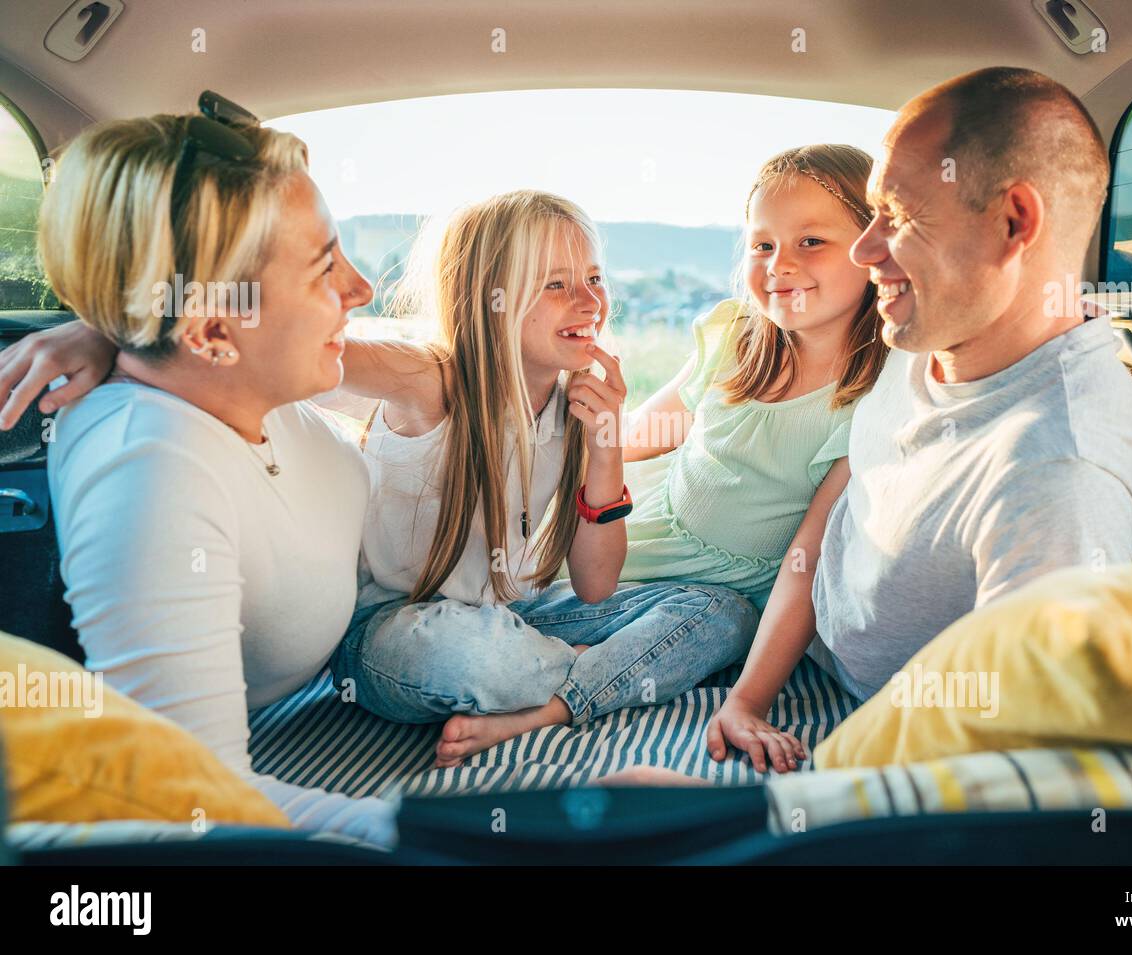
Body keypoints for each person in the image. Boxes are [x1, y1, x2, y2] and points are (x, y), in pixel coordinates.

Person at [708, 66, 1132, 772]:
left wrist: (762, 810)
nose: (864, 249)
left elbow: (1012, 756)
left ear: (1014, 222)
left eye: (900, 216)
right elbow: (831, 519)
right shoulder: (930, 336)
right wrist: (746, 699)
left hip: (895, 739)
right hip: (804, 653)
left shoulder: (1057, 471)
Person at [0, 112, 396, 842]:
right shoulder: (147, 473)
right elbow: (197, 810)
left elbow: (435, 375)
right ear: (213, 332)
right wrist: (498, 838)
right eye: (324, 267)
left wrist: (107, 327)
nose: (362, 287)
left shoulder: (248, 385)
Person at [321, 191, 759, 767]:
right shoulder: (432, 377)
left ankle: (547, 703)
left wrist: (606, 445)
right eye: (556, 285)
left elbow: (597, 585)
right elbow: (314, 356)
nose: (590, 302)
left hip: (512, 613)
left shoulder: (570, 401)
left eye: (595, 277)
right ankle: (573, 674)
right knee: (470, 656)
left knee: (724, 613)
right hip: (395, 633)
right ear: (490, 299)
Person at [618, 144, 895, 611]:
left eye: (811, 241)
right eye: (762, 245)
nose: (778, 265)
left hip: (713, 602)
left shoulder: (870, 402)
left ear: (873, 249)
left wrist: (748, 690)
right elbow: (630, 439)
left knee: (715, 620)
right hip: (635, 553)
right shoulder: (734, 342)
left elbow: (806, 562)